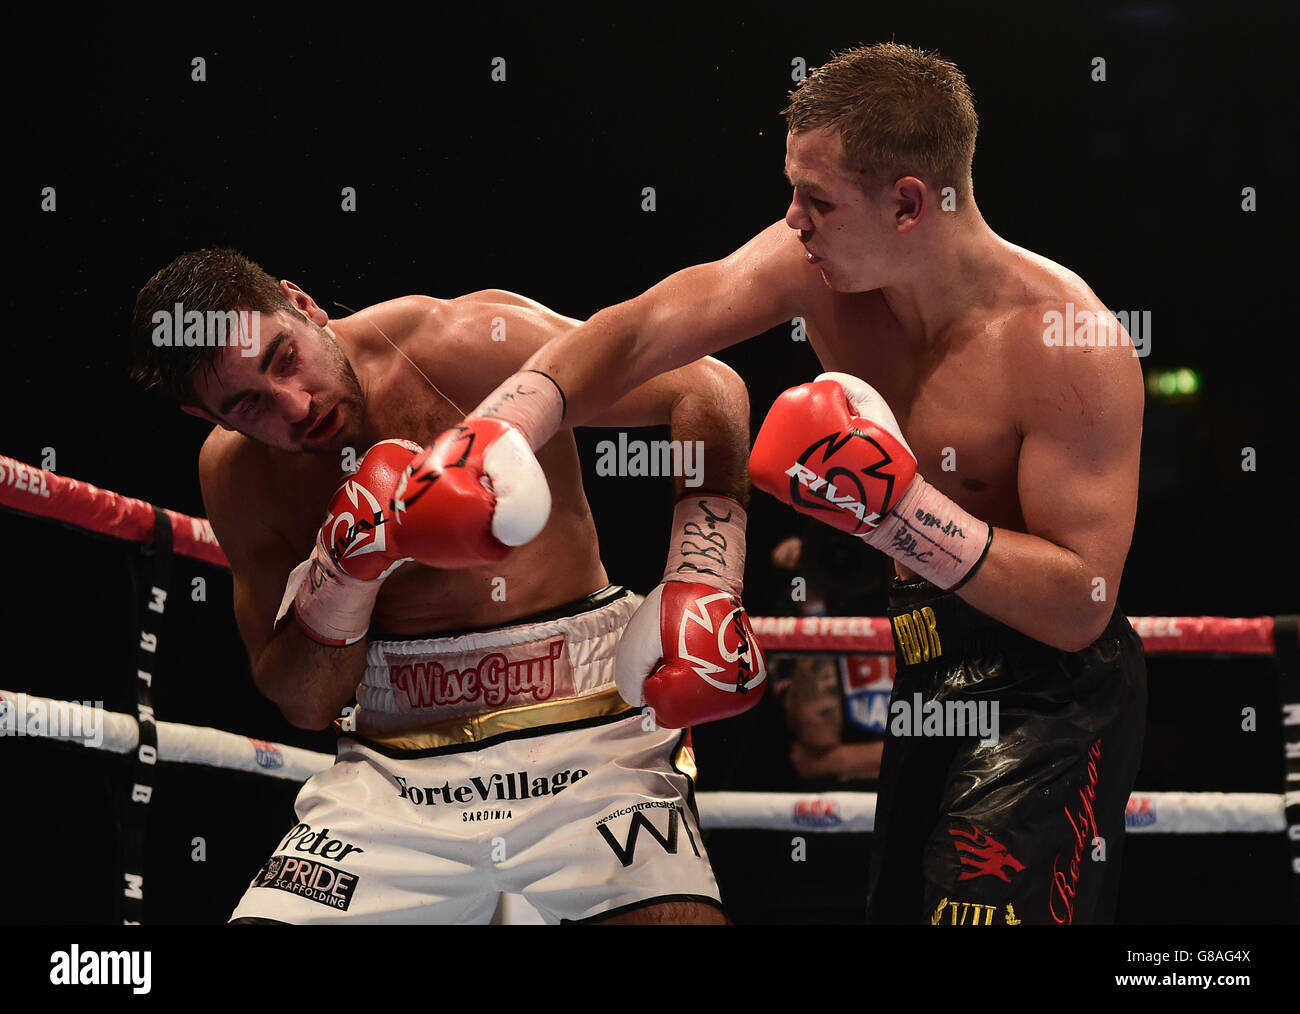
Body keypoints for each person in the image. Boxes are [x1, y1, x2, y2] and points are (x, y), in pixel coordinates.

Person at [416, 43, 1148, 924]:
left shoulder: (1066, 344)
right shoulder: (819, 267)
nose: (793, 221)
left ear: (908, 203)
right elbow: (647, 328)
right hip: (923, 663)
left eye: (819, 201)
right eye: (794, 191)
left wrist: (900, 513)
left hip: (1048, 698)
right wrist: (498, 427)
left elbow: (1081, 604)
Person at [129, 248, 765, 924]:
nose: (294, 403)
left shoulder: (464, 343)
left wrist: (706, 577)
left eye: (285, 358)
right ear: (210, 419)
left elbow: (703, 384)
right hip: (393, 769)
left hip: (589, 730)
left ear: (303, 305)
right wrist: (343, 571)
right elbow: (305, 704)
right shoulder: (235, 475)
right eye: (248, 404)